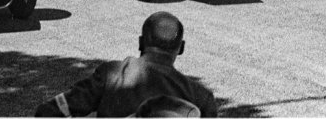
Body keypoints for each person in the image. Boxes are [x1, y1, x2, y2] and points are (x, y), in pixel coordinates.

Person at [35, 12, 218, 117]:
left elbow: (48, 111)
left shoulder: (111, 76)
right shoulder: (202, 97)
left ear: (140, 42)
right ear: (181, 48)